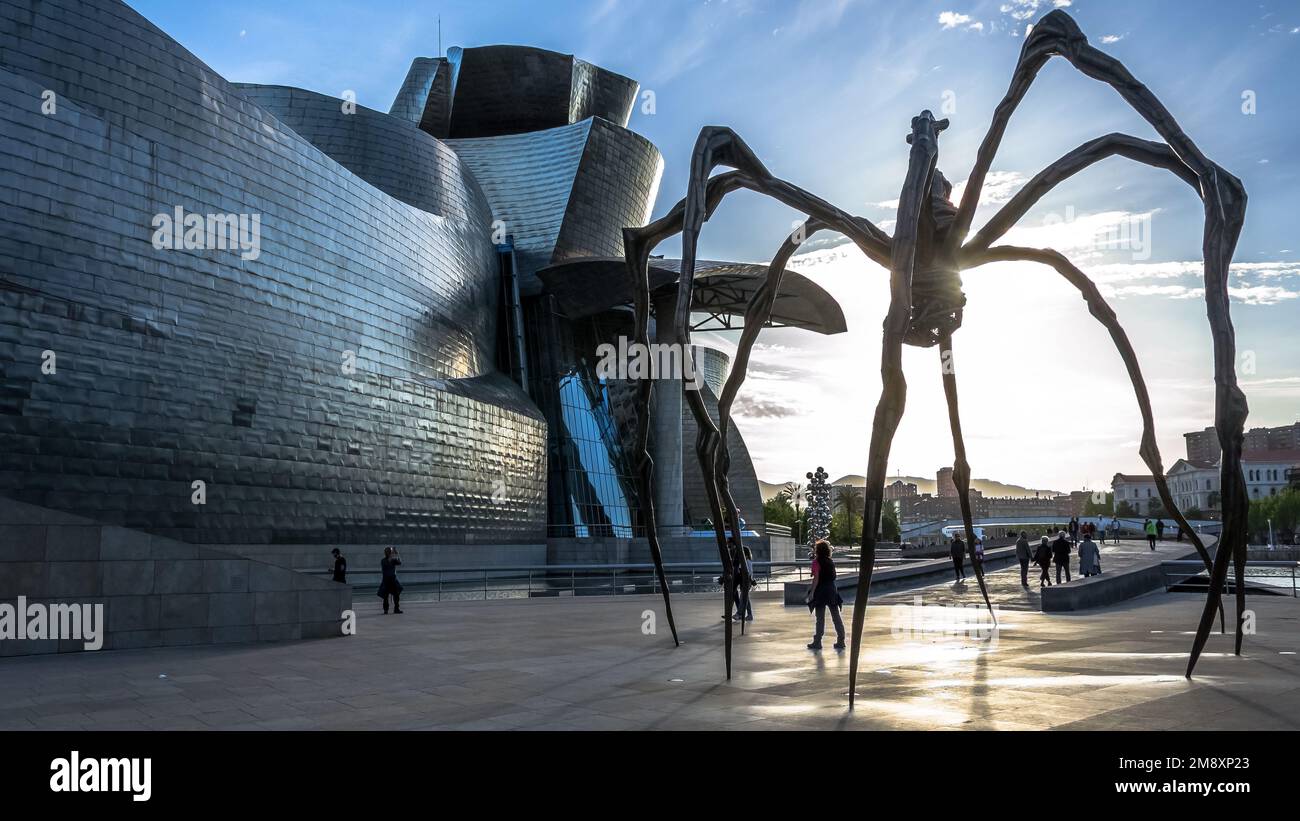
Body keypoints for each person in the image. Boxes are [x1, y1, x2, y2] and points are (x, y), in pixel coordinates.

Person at [806, 540, 845, 651]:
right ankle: (841, 640)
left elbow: (816, 579)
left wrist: (812, 592)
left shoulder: (816, 562)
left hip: (821, 591)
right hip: (832, 590)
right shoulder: (830, 561)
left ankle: (817, 641)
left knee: (820, 618)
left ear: (817, 550)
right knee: (836, 617)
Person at [378, 546, 403, 614]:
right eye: (390, 552)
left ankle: (395, 609)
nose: (391, 553)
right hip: (387, 580)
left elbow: (400, 562)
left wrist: (397, 554)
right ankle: (387, 610)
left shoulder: (392, 560)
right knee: (386, 596)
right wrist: (394, 555)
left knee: (396, 595)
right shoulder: (384, 560)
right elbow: (389, 562)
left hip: (392, 580)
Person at [733, 545, 755, 622]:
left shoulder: (747, 562)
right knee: (746, 599)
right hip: (744, 582)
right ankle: (749, 615)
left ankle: (739, 614)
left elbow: (749, 573)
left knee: (743, 598)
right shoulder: (743, 562)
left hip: (746, 582)